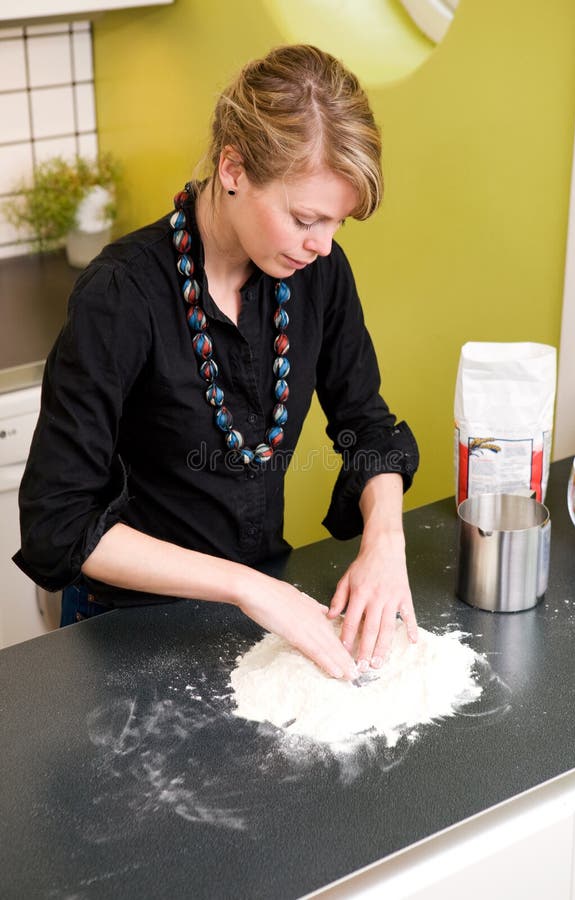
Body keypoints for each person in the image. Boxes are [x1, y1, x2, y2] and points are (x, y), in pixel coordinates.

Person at [14, 44, 419, 681]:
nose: (322, 245)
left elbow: (366, 424)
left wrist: (385, 541)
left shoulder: (316, 273)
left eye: (337, 224)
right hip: (129, 632)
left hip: (257, 620)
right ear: (233, 168)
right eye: (305, 218)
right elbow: (58, 521)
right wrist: (251, 588)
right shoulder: (122, 296)